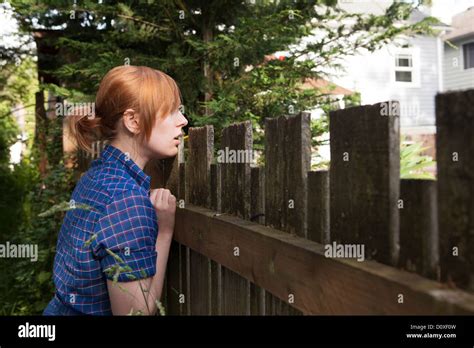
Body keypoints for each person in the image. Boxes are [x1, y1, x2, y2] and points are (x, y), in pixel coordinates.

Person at [43, 65, 188, 315]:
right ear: (133, 121)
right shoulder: (127, 201)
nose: (183, 121)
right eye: (171, 111)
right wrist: (164, 232)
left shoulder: (98, 174)